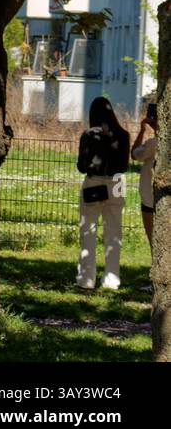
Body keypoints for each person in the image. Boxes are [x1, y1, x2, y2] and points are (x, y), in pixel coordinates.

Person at [76, 96, 131, 290]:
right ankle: (112, 279)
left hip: (94, 183)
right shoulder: (123, 135)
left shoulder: (89, 135)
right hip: (116, 183)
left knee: (88, 231)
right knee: (114, 234)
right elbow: (124, 166)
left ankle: (86, 279)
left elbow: (81, 167)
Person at [132, 100, 159, 246]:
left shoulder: (152, 145)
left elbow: (134, 154)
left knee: (153, 241)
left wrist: (142, 130)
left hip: (149, 200)